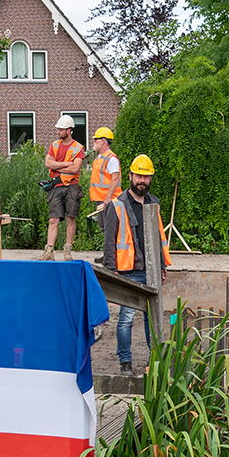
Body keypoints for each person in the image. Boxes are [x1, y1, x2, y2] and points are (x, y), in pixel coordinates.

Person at [102, 154, 171, 375]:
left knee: (154, 319)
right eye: (139, 176)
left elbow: (159, 237)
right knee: (126, 320)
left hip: (151, 270)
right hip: (128, 272)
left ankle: (155, 362)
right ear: (130, 176)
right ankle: (126, 364)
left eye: (146, 177)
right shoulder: (117, 204)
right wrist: (112, 274)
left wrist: (162, 266)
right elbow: (109, 241)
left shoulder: (154, 203)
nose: (142, 180)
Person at [39, 115, 85, 261]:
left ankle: (67, 250)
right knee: (53, 219)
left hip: (72, 187)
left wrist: (57, 165)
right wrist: (66, 164)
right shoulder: (54, 145)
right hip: (56, 186)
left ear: (69, 130)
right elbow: (48, 164)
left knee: (71, 218)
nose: (58, 131)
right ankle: (49, 251)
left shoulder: (78, 148)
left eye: (61, 129)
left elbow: (76, 168)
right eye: (58, 129)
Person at [87, 127, 122, 229]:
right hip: (101, 200)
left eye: (96, 139)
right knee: (104, 228)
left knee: (110, 230)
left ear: (103, 141)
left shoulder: (111, 159)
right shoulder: (99, 158)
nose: (93, 141)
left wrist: (108, 198)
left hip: (109, 200)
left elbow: (115, 179)